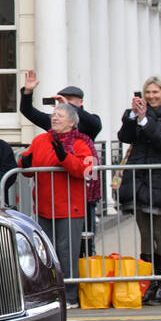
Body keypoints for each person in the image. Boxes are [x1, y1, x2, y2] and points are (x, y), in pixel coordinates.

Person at [19, 104, 96, 307]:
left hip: (70, 208)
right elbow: (28, 167)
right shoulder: (40, 140)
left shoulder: (80, 143)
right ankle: (48, 292)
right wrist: (23, 165)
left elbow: (84, 170)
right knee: (45, 252)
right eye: (53, 115)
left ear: (72, 122)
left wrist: (65, 157)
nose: (54, 118)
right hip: (44, 205)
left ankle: (70, 295)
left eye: (60, 116)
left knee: (66, 253)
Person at [117, 76, 161, 304]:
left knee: (159, 231)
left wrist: (145, 120)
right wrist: (133, 117)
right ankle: (148, 280)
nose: (152, 97)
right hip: (138, 178)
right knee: (144, 231)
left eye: (156, 92)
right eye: (148, 93)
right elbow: (124, 137)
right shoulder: (136, 113)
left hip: (159, 179)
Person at [20, 72, 103, 139]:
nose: (64, 103)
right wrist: (28, 91)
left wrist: (68, 105)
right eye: (61, 100)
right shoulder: (54, 120)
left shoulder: (89, 121)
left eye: (69, 99)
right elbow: (27, 110)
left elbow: (95, 124)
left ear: (81, 102)